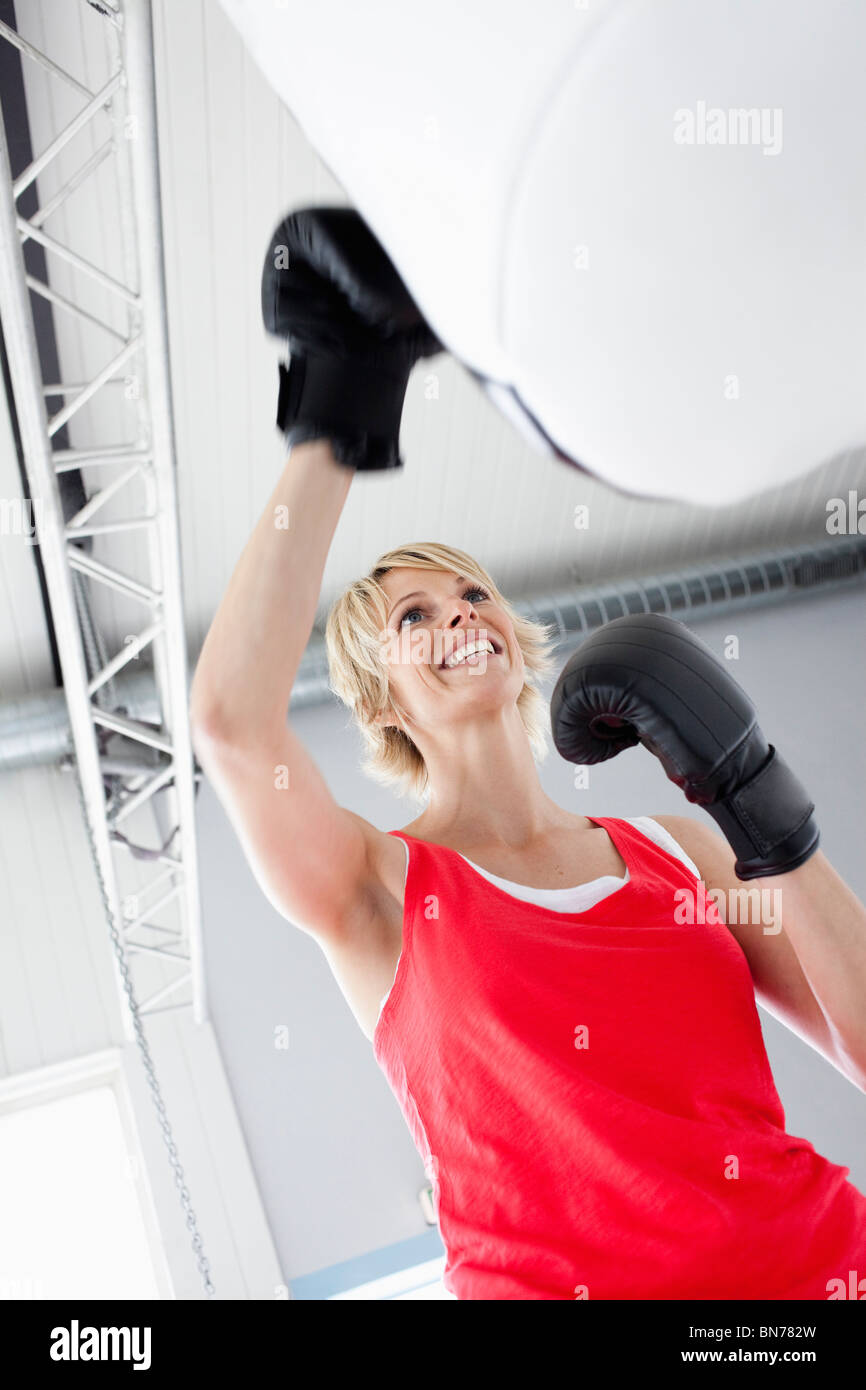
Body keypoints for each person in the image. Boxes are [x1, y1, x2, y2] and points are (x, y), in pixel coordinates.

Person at [188, 209, 866, 1299]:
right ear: (383, 697)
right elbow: (230, 724)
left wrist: (760, 807)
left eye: (469, 593)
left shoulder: (676, 849)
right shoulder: (377, 888)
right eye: (410, 617)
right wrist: (339, 408)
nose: (456, 615)